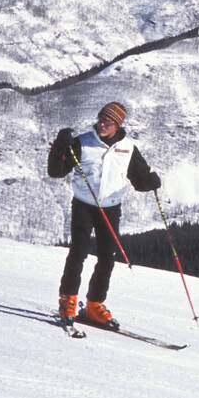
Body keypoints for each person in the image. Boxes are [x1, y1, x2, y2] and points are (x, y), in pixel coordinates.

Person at [47, 102, 161, 328]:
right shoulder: (82, 143)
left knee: (108, 257)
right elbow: (56, 171)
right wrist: (60, 147)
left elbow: (139, 180)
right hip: (84, 205)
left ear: (117, 125)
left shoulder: (128, 148)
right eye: (100, 119)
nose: (101, 124)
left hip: (110, 208)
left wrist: (151, 181)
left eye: (107, 122)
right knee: (78, 252)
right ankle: (68, 300)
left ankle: (94, 305)